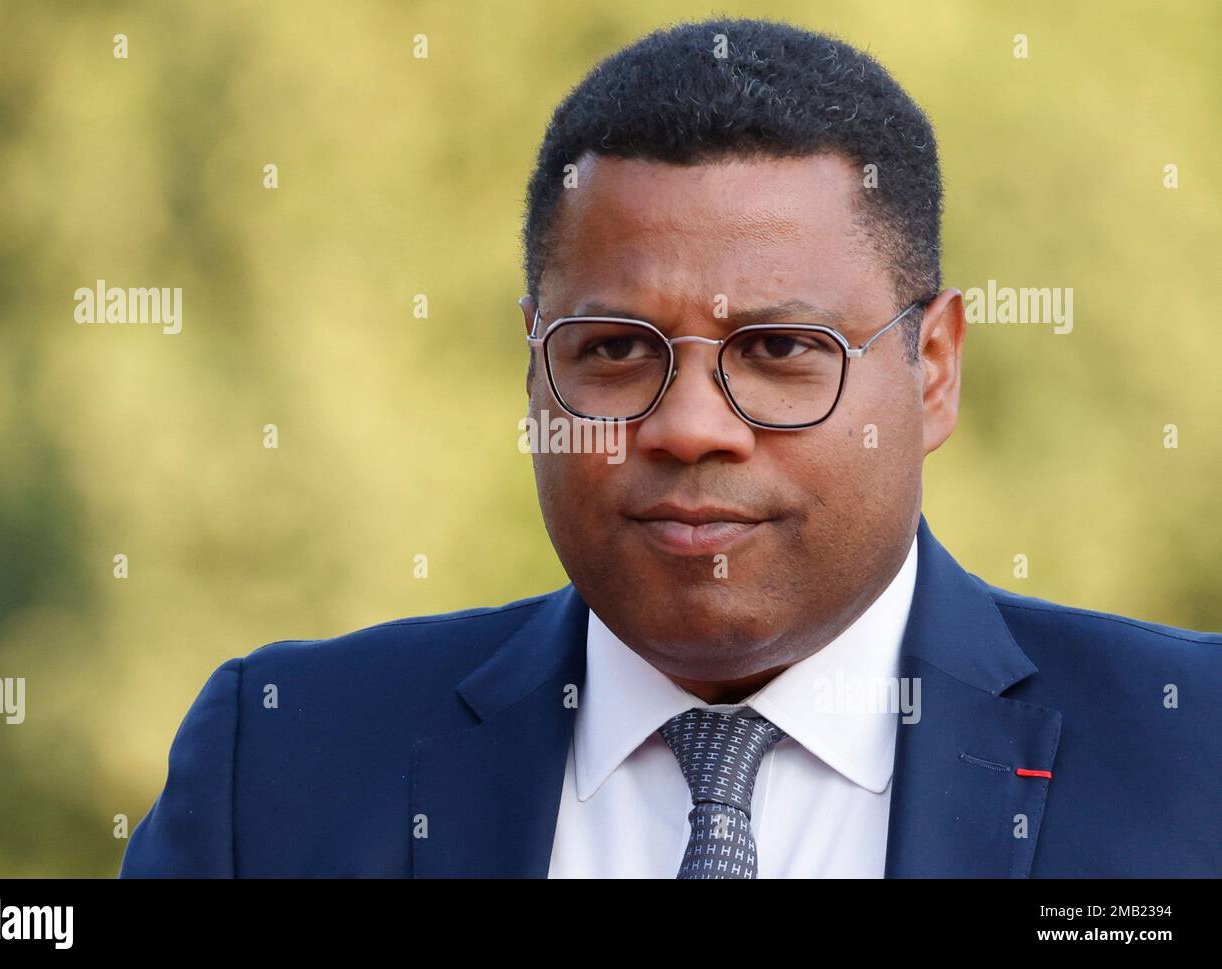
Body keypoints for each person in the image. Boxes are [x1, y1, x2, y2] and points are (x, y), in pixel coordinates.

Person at [119, 17, 1221, 878]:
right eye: (611, 351)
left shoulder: (1190, 761)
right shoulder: (281, 770)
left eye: (781, 347)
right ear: (533, 366)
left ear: (931, 368)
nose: (689, 426)